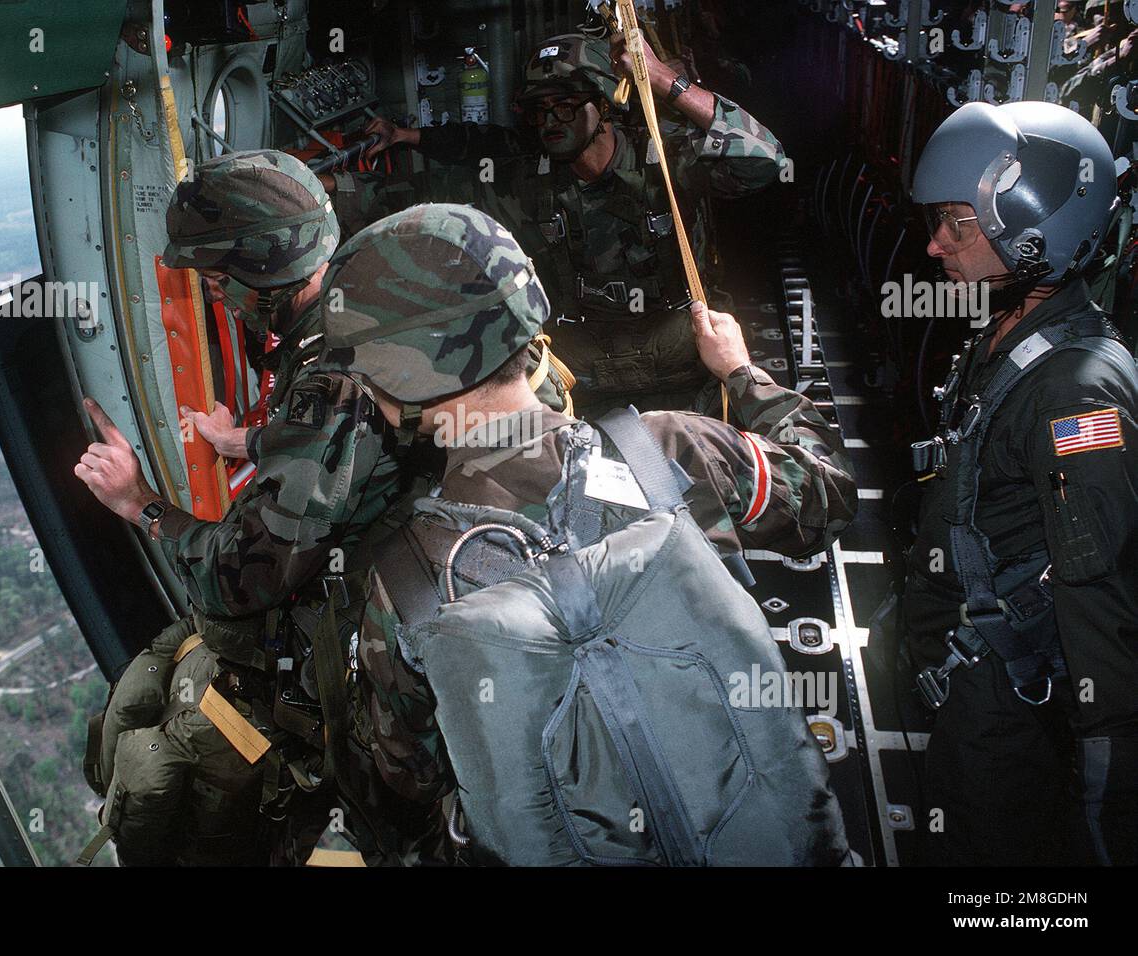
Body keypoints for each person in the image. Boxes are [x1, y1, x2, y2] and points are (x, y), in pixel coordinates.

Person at [310, 202, 857, 855]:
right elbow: (829, 493)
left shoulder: (405, 584)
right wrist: (740, 373)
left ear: (396, 383)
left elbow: (406, 783)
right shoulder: (673, 450)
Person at [74, 149, 446, 865]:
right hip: (411, 555)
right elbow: (356, 440)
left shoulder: (328, 379)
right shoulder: (372, 295)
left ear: (265, 272)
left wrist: (139, 502)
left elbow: (239, 580)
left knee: (152, 762)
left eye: (219, 280)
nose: (217, 297)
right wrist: (251, 439)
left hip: (378, 644)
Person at [904, 100, 1138, 866]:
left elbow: (1096, 586)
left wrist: (1107, 774)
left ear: (1037, 235)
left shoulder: (1079, 393)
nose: (936, 244)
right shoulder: (1009, 328)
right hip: (967, 675)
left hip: (1004, 706)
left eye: (958, 225)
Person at [336, 32, 786, 417]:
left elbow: (765, 160)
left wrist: (662, 79)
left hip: (683, 372)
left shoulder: (665, 165)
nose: (551, 120)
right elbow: (418, 194)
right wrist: (327, 187)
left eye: (566, 105)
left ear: (605, 106)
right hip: (584, 384)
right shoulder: (528, 182)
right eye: (540, 108)